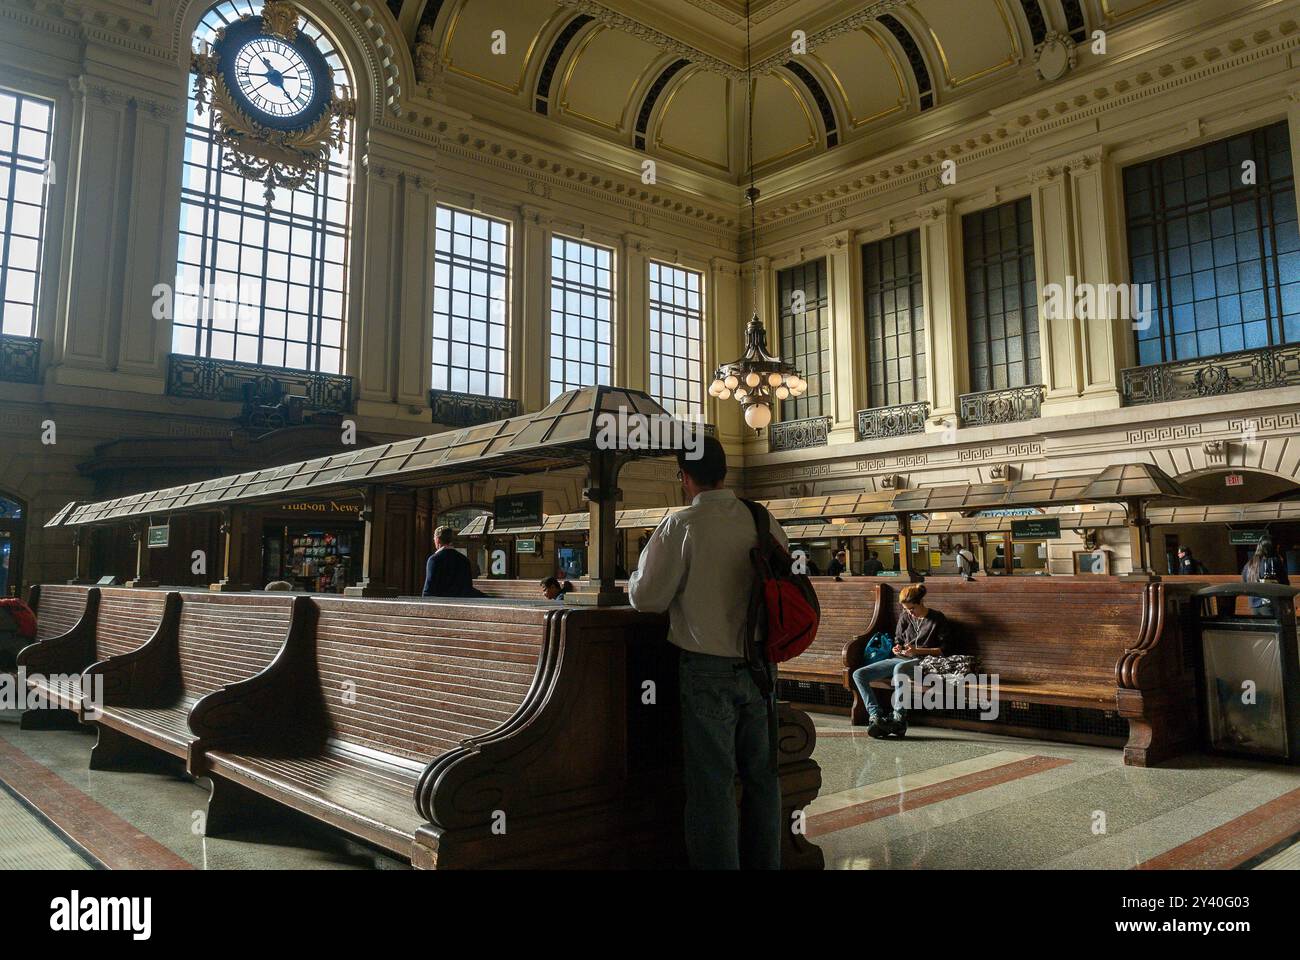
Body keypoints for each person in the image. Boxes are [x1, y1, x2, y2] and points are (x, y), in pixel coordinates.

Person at [628, 435, 786, 870]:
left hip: (706, 671)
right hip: (761, 668)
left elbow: (647, 598)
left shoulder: (681, 526)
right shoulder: (760, 518)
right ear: (725, 472)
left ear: (684, 478)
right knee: (762, 778)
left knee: (712, 785)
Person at [850, 583, 950, 739]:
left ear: (921, 603)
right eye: (906, 610)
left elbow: (944, 650)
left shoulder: (937, 618)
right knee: (858, 674)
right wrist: (897, 648)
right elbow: (898, 640)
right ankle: (875, 716)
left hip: (924, 661)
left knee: (899, 670)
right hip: (901, 658)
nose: (910, 613)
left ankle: (899, 718)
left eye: (912, 609)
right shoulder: (905, 617)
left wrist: (918, 651)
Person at [422, 526, 483, 598]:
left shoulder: (434, 560)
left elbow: (428, 590)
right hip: (461, 604)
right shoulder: (464, 559)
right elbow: (467, 588)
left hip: (441, 605)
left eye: (434, 538)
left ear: (437, 540)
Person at [1242, 538, 1290, 616]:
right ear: (1272, 547)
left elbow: (1245, 581)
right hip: (1270, 604)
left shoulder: (1250, 564)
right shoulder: (1274, 561)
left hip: (1254, 605)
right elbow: (1285, 583)